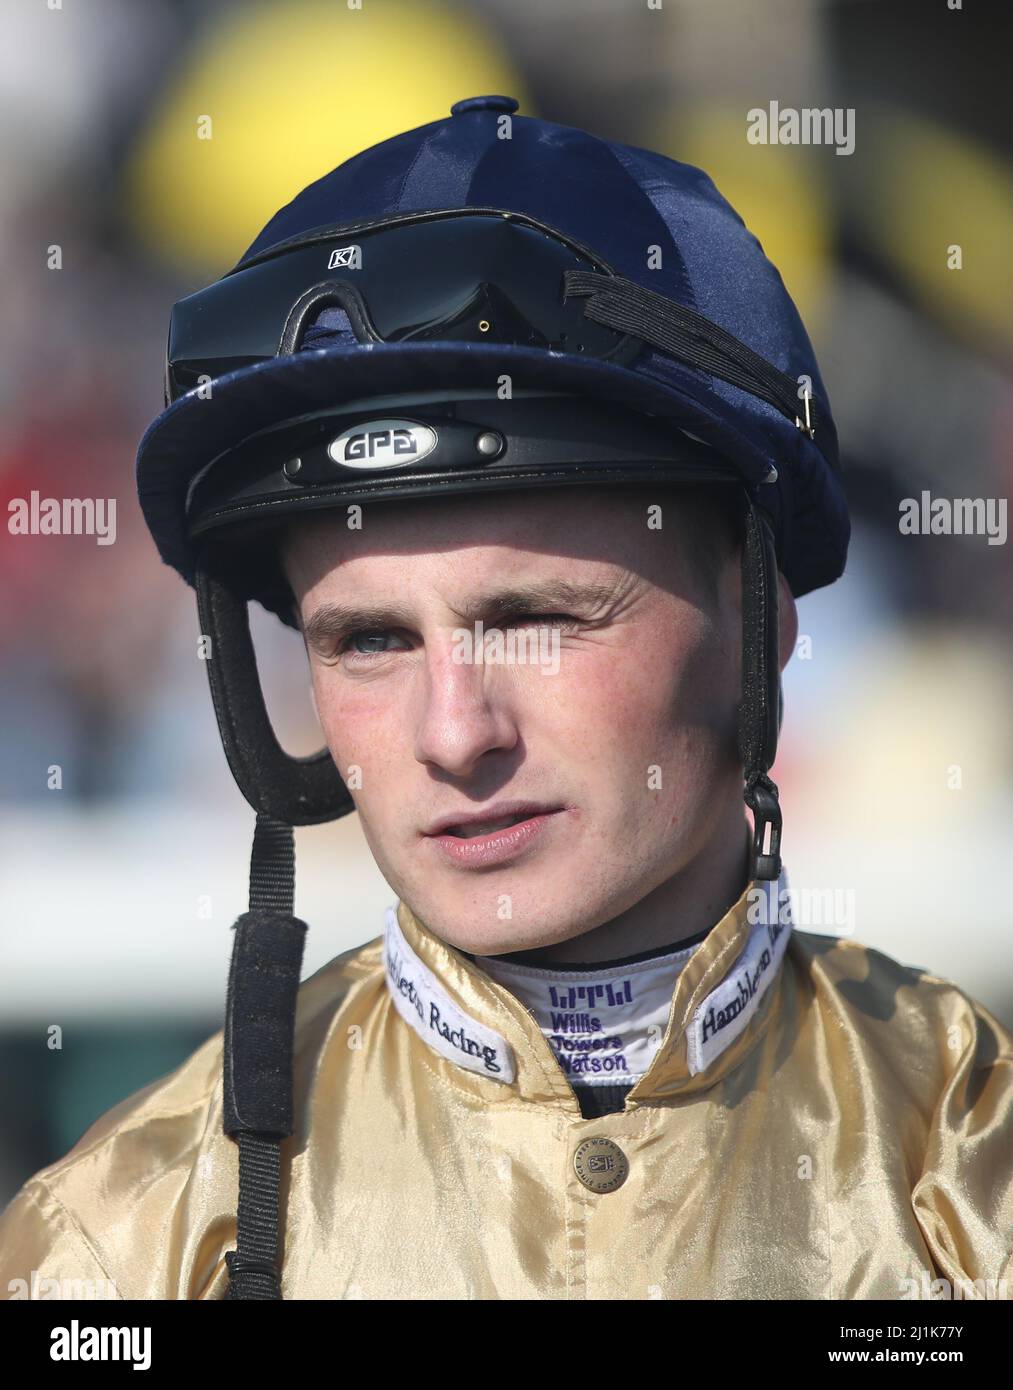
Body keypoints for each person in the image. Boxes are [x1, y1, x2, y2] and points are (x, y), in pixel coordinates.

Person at [2, 96, 1010, 1302]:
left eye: (532, 619)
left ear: (761, 617)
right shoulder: (117, 1253)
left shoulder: (970, 1173)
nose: (453, 734)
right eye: (368, 640)